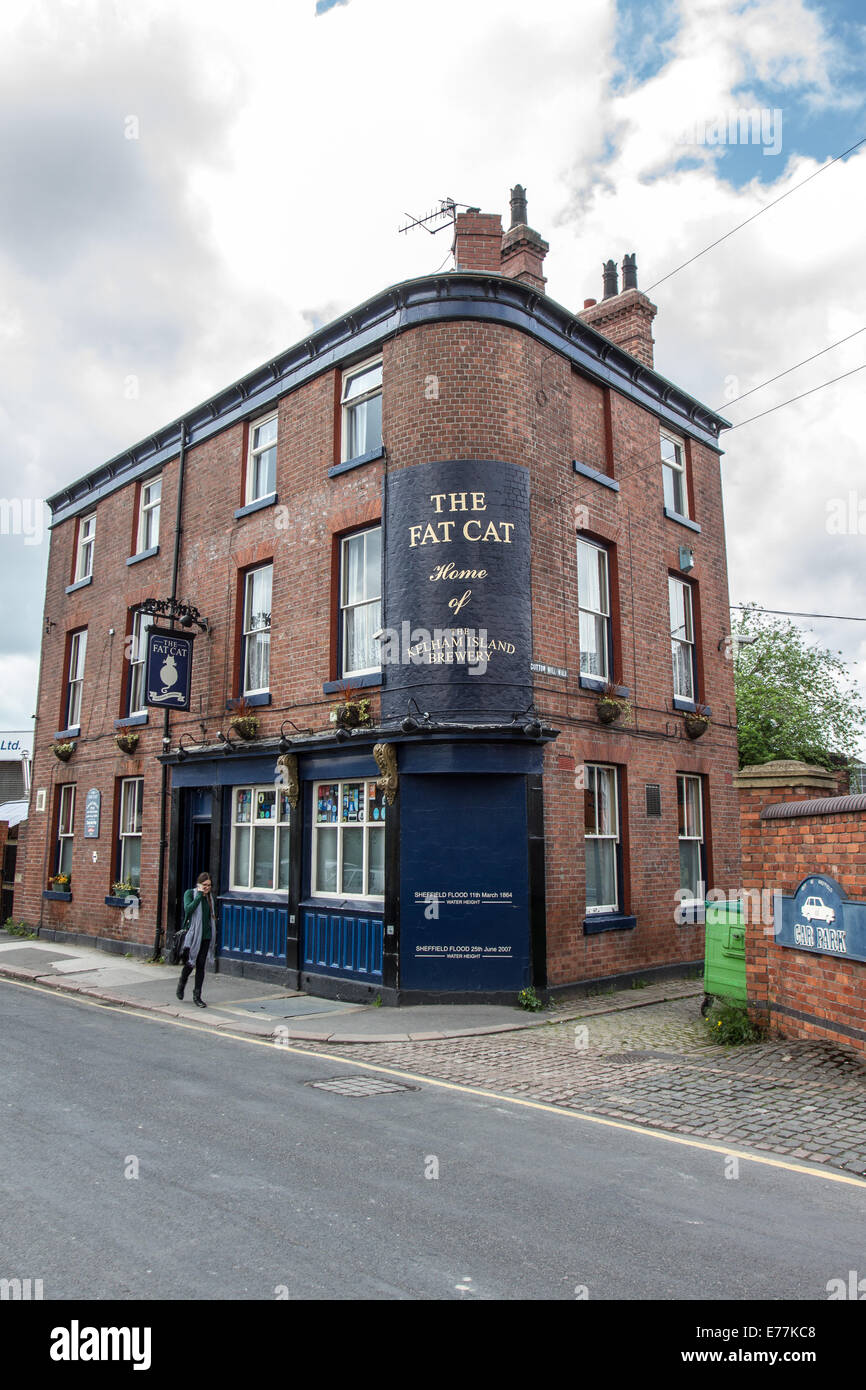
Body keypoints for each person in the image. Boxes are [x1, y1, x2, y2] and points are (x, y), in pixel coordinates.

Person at [176, 871, 215, 1008]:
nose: (207, 888)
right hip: (193, 936)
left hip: (206, 936)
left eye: (209, 885)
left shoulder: (210, 898)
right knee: (190, 963)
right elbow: (188, 909)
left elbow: (211, 917)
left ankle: (197, 996)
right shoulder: (190, 894)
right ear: (199, 884)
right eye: (204, 885)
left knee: (201, 965)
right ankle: (182, 982)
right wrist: (199, 895)